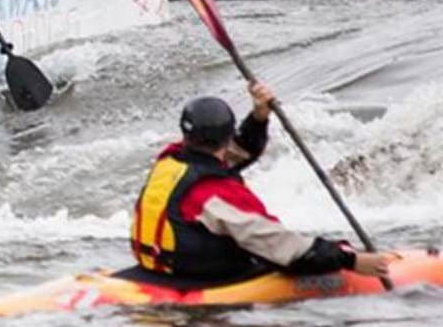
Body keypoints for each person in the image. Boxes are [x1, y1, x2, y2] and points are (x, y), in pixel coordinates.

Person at [130, 83, 396, 283]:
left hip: (159, 267)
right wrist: (350, 259)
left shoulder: (170, 160)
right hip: (202, 276)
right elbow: (285, 249)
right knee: (311, 257)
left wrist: (259, 116)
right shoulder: (217, 195)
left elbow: (235, 154)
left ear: (186, 133)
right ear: (226, 135)